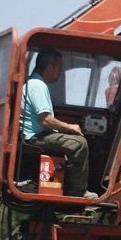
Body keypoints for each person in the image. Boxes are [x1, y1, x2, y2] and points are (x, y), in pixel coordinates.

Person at [20, 49, 95, 198]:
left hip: (37, 135)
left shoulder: (34, 83)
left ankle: (66, 184)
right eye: (59, 68)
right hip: (36, 137)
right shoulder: (37, 86)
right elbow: (45, 120)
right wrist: (70, 127)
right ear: (49, 67)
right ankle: (77, 192)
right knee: (79, 144)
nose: (60, 72)